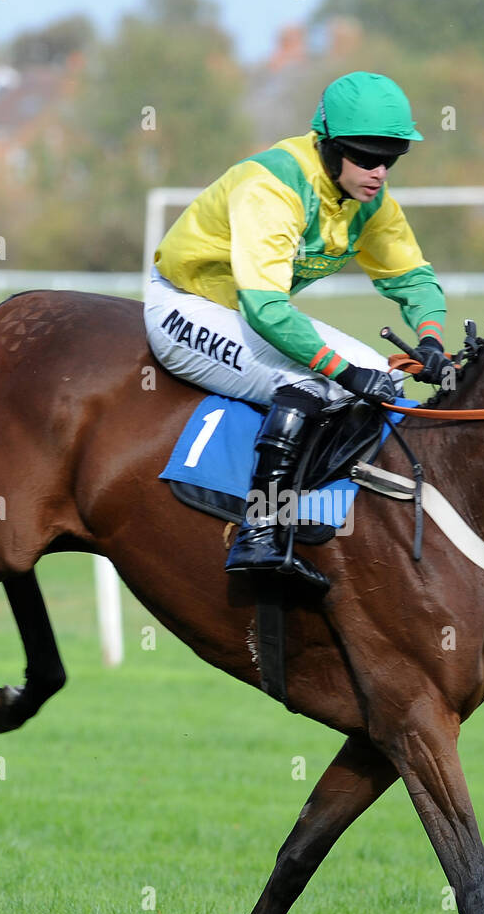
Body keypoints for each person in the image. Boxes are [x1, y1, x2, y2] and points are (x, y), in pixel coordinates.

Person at [144, 71, 452, 591]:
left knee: (389, 382)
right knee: (313, 383)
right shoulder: (272, 186)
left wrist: (431, 339)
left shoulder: (368, 198)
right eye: (366, 156)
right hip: (186, 306)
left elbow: (412, 278)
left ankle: (324, 515)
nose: (379, 171)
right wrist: (344, 372)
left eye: (391, 158)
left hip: (248, 309)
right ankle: (258, 532)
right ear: (329, 146)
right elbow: (267, 310)